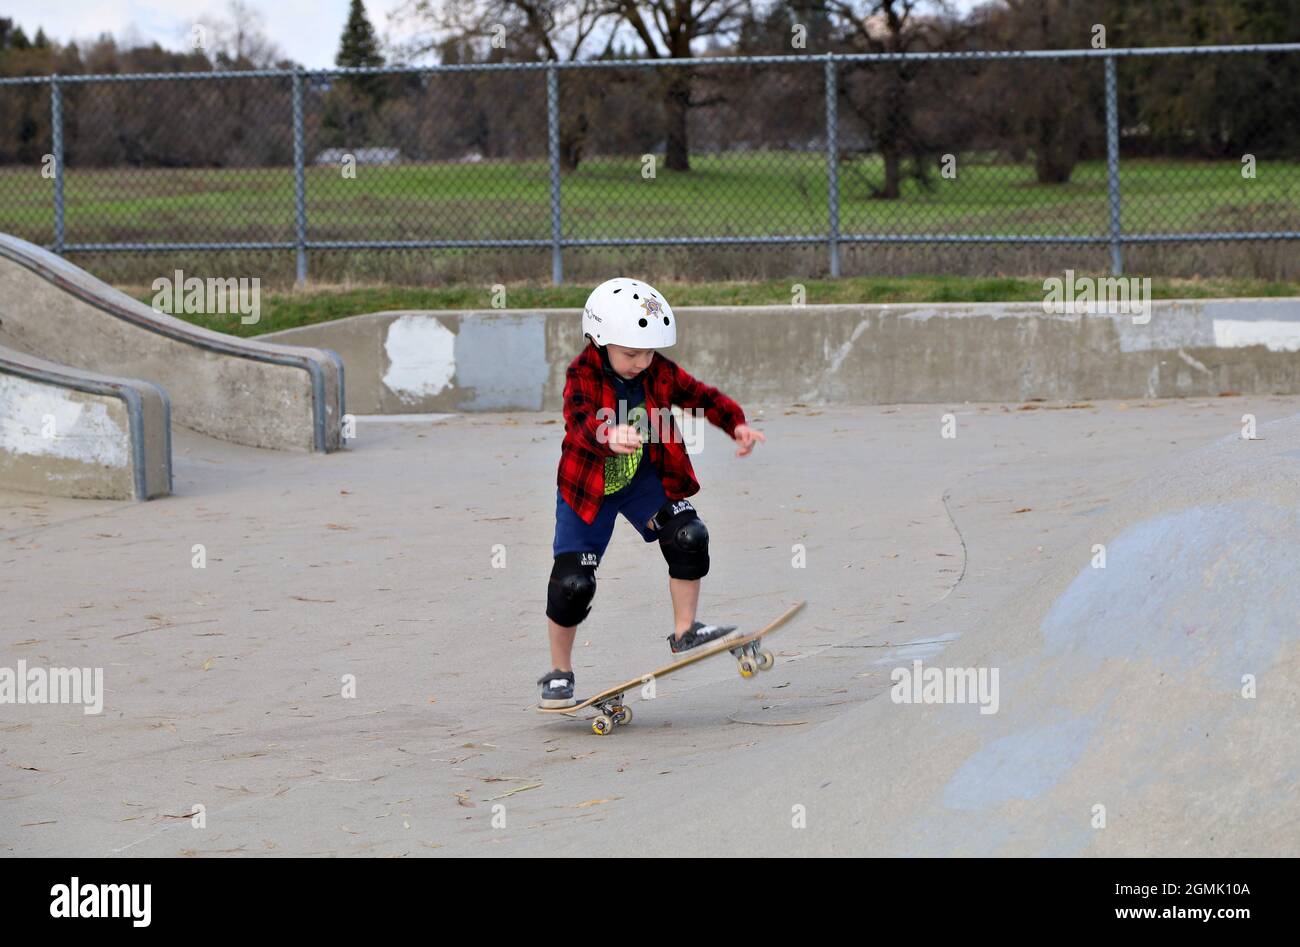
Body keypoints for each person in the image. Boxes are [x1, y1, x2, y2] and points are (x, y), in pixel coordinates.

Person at [538, 277, 765, 708]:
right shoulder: (581, 374)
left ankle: (686, 631)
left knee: (688, 535)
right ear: (598, 340)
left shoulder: (657, 370)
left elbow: (700, 395)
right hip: (589, 487)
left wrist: (735, 422)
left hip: (641, 480)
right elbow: (579, 420)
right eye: (631, 353)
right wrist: (609, 433)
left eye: (648, 352)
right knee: (572, 584)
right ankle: (559, 672)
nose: (642, 362)